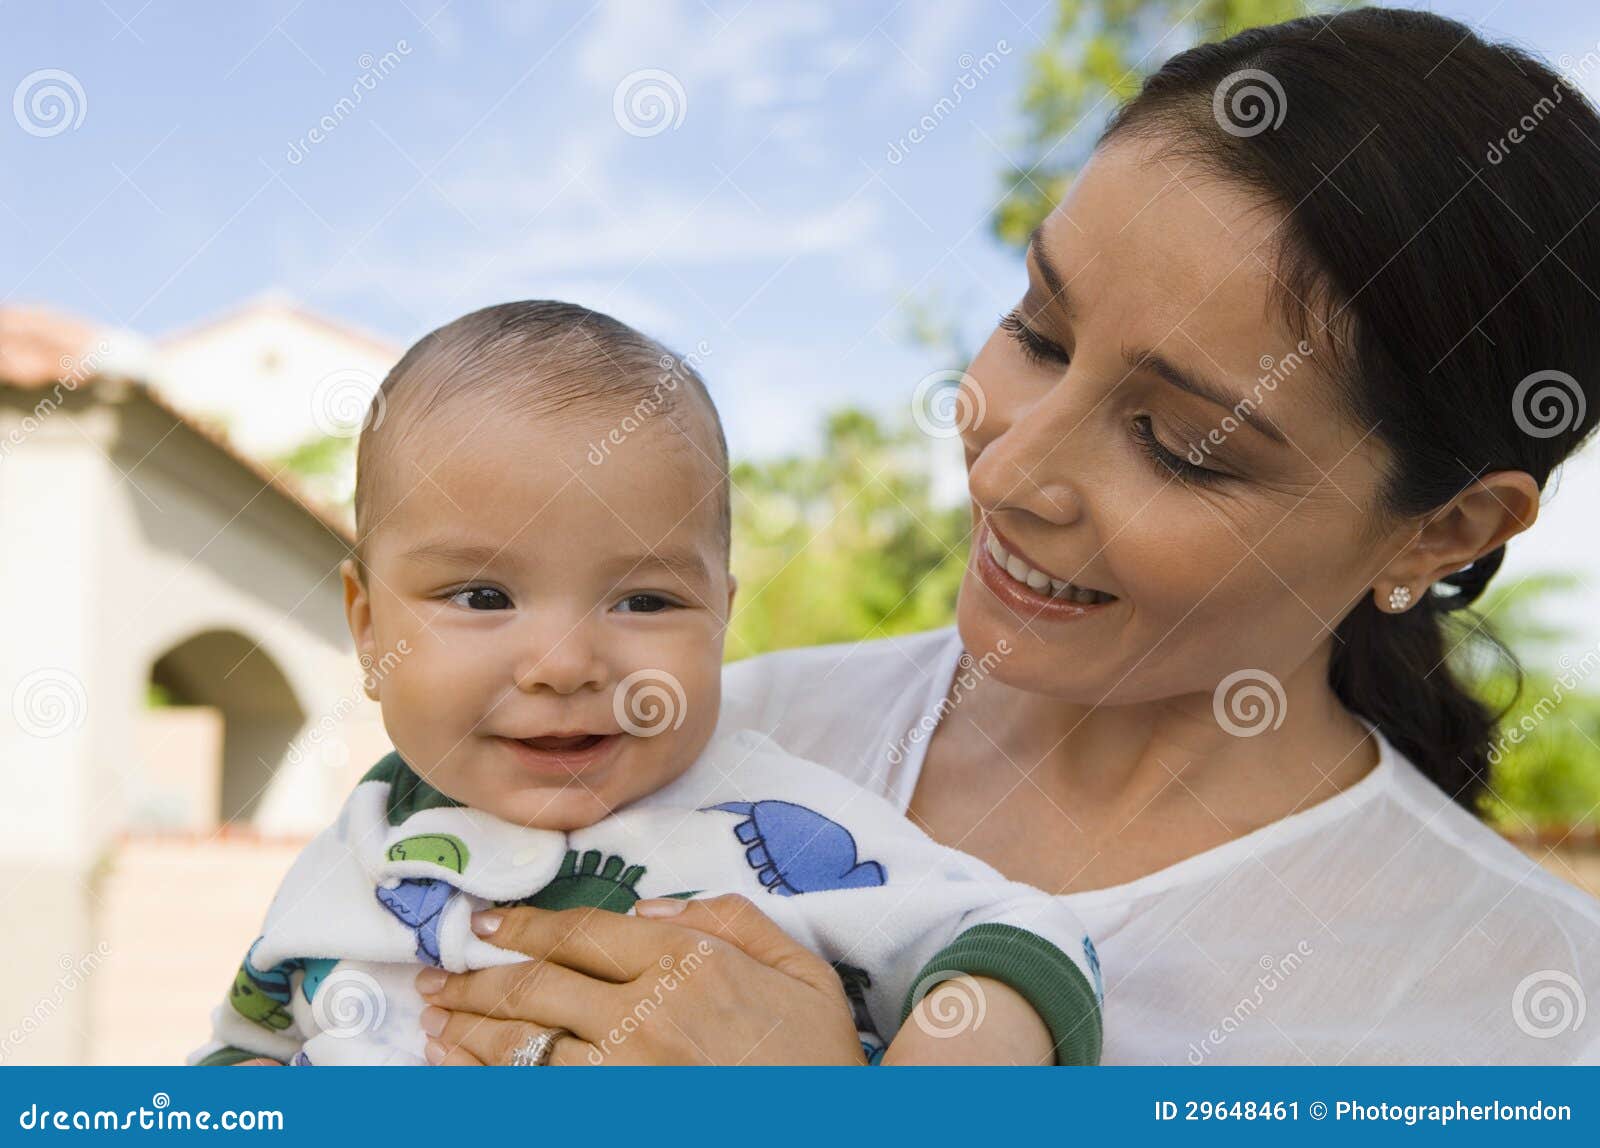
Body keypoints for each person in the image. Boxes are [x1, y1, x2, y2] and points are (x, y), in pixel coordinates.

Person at [415, 8, 1600, 1064]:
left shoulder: (1525, 1017)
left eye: (1181, 444)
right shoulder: (690, 741)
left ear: (1441, 531)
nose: (1013, 465)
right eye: (1037, 328)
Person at [187, 300, 1102, 1068]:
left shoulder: (771, 817)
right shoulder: (357, 848)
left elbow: (1025, 942)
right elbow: (242, 1052)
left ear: (720, 615)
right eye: (481, 594)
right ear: (369, 625)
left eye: (645, 599)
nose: (566, 665)